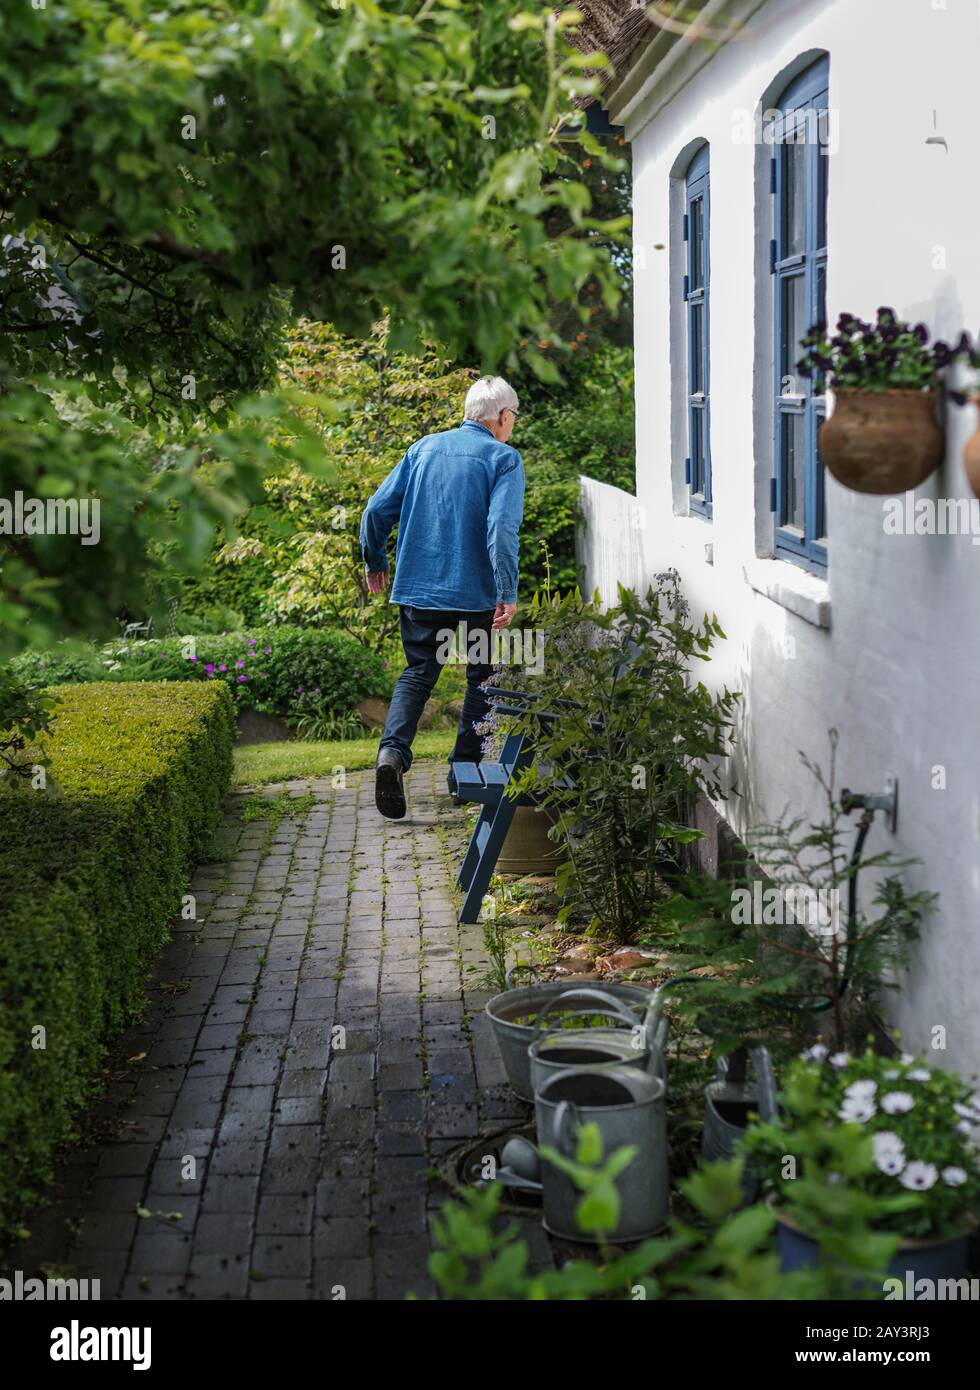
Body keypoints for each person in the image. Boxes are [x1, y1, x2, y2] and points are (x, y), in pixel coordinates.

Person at [359, 375, 524, 819]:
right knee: (481, 679)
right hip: (476, 598)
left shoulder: (423, 448)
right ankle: (463, 777)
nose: (513, 427)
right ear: (502, 417)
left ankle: (392, 755)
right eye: (513, 419)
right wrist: (507, 590)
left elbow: (375, 510)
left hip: (420, 590)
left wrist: (374, 560)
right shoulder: (504, 458)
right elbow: (501, 530)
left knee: (418, 674)